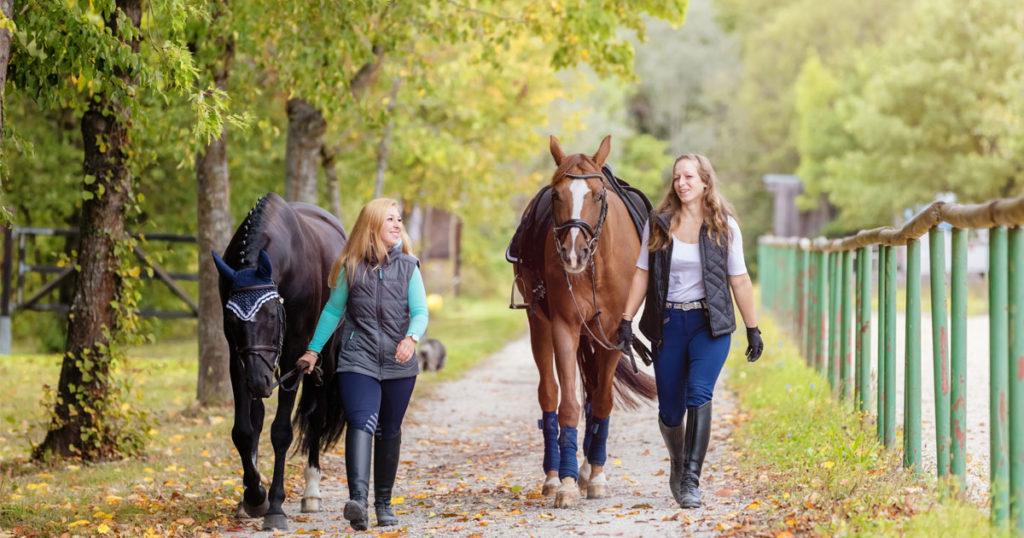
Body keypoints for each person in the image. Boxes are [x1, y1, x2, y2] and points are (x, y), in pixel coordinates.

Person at [618, 153, 763, 509]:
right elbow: (642, 273)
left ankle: (691, 480)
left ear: (705, 182)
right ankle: (679, 462)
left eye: (689, 177)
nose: (682, 183)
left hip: (709, 325)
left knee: (699, 394)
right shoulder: (659, 223)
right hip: (669, 325)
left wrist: (752, 328)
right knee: (670, 409)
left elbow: (739, 279)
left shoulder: (724, 226)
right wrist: (625, 319)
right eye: (677, 177)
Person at [296, 198, 428, 530]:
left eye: (399, 220)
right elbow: (332, 311)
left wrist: (411, 338)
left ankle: (383, 504)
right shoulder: (350, 267)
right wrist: (313, 351)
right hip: (359, 359)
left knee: (389, 430)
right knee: (361, 423)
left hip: (399, 363)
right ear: (372, 226)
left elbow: (421, 312)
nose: (398, 225)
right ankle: (358, 502)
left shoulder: (410, 267)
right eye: (390, 220)